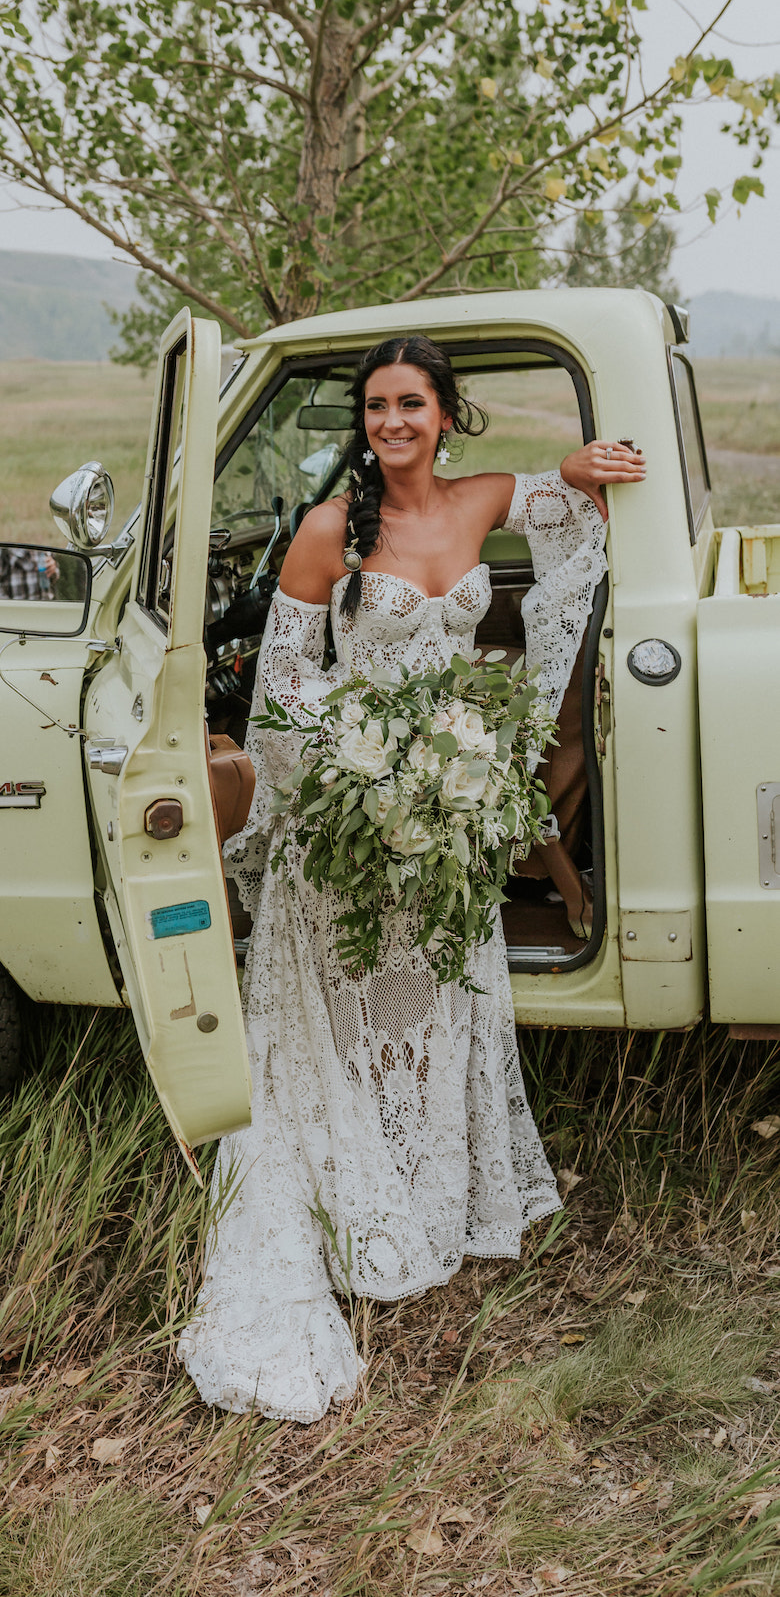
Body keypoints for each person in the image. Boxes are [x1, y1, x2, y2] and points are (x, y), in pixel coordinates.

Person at [177, 333, 645, 1423]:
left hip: (451, 814)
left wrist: (579, 471)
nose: (394, 423)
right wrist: (351, 798)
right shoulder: (330, 532)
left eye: (412, 405)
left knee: (434, 1007)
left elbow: (569, 513)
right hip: (354, 822)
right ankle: (350, 1200)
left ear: (446, 414)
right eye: (378, 407)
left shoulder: (483, 500)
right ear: (367, 421)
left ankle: (425, 1200)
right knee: (351, 1018)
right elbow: (285, 694)